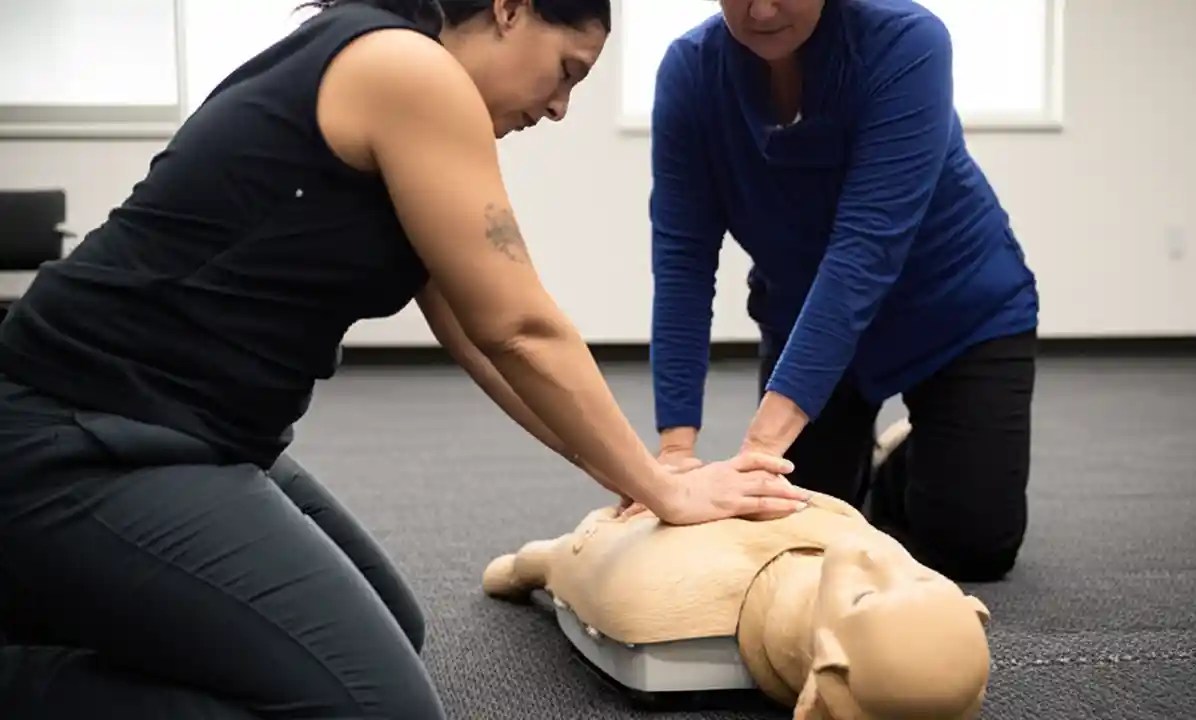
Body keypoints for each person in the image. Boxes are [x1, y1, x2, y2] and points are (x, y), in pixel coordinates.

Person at [0, 0, 811, 717]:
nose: (562, 108)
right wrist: (663, 484)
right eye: (566, 71)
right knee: (373, 708)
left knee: (395, 628)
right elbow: (520, 328)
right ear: (508, 8)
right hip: (82, 437)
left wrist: (630, 483)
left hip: (198, 437)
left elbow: (485, 345)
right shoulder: (406, 68)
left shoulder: (394, 72)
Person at [647, 0, 1040, 584]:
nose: (760, 8)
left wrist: (758, 452)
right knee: (798, 541)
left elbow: (865, 251)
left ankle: (905, 459)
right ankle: (863, 462)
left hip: (955, 310)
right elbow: (683, 260)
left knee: (971, 547)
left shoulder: (909, 42)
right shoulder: (689, 72)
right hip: (809, 324)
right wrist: (675, 454)